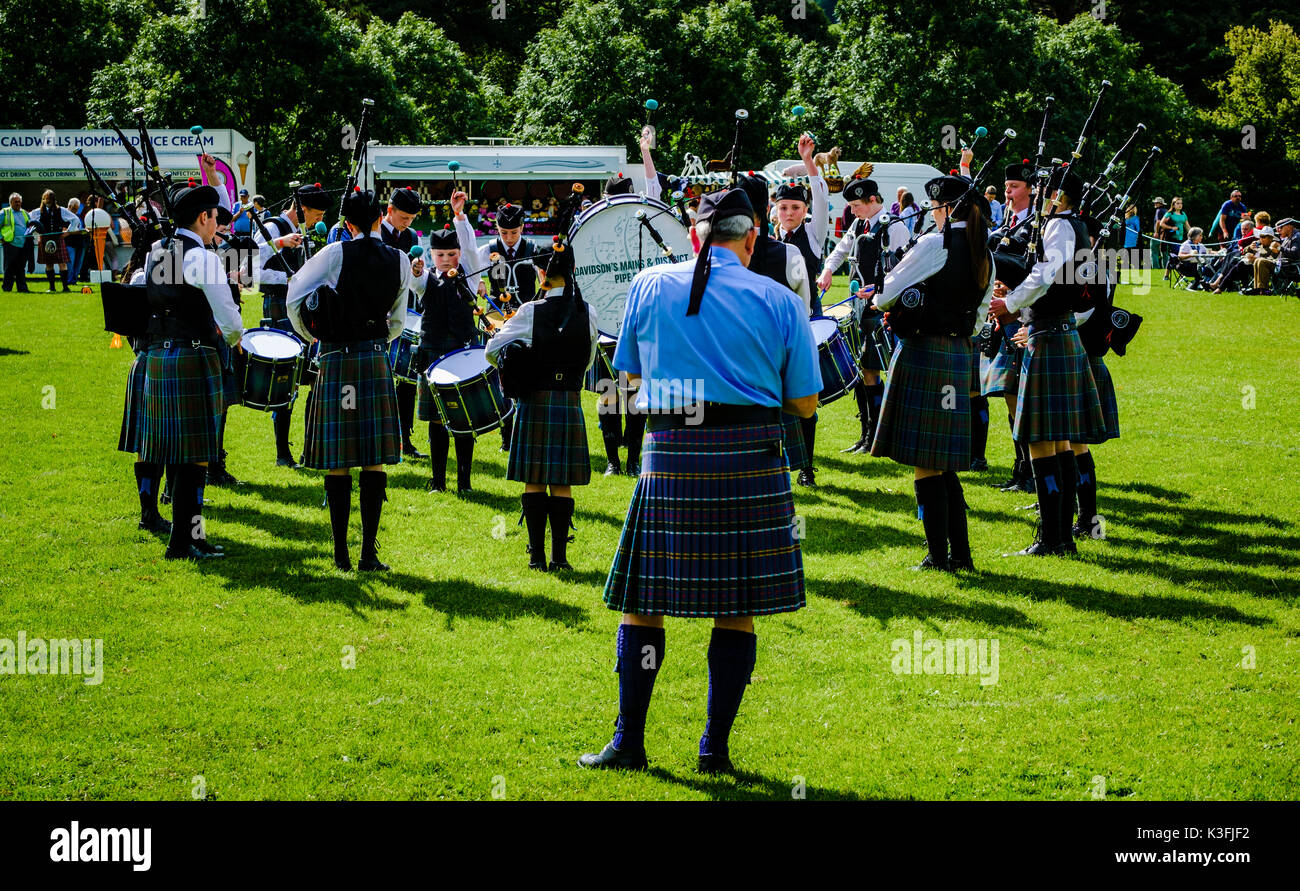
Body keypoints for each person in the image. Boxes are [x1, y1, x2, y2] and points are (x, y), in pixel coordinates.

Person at [579, 188, 820, 774]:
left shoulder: (648, 285)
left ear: (694, 235)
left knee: (643, 603)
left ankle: (628, 743)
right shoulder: (780, 300)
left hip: (670, 454)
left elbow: (626, 377)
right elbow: (806, 405)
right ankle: (713, 750)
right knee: (737, 607)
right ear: (753, 237)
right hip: (751, 458)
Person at [870, 174, 993, 570]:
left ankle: (939, 556)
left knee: (927, 460)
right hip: (959, 353)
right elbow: (977, 322)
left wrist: (884, 299)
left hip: (926, 352)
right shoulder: (984, 252)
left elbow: (886, 295)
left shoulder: (933, 243)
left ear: (943, 208)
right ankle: (962, 554)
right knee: (943, 462)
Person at [287, 188, 411, 572]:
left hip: (339, 367)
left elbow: (295, 293)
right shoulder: (401, 259)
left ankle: (341, 552)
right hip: (373, 364)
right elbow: (398, 321)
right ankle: (368, 554)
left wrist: (312, 336)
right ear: (379, 220)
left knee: (339, 458)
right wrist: (376, 342)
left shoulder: (334, 253)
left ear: (347, 224)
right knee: (373, 460)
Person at [990, 166, 1107, 557]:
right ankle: (1062, 537)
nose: (1039, 195)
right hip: (1058, 333)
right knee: (1057, 442)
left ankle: (1051, 537)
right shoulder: (1073, 225)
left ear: (1058, 195)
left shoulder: (1059, 225)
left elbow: (1045, 274)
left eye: (1044, 190)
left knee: (1042, 440)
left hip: (1051, 336)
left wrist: (1009, 302)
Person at [138, 181, 245, 560]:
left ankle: (187, 538)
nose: (218, 225)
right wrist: (236, 339)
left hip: (158, 357)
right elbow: (229, 319)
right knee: (197, 453)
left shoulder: (155, 251)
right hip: (194, 357)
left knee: (174, 448)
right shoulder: (203, 258)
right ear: (204, 217)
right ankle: (184, 541)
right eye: (216, 218)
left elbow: (139, 290)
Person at [485, 237, 598, 571]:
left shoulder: (531, 311)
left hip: (536, 399)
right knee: (561, 480)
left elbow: (493, 348)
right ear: (574, 270)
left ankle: (536, 557)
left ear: (540, 273)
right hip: (569, 401)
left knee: (534, 477)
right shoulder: (587, 311)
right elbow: (588, 359)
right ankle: (560, 558)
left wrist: (513, 367)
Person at [817, 176, 909, 458]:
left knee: (871, 371)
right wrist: (828, 270)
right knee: (861, 371)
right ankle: (866, 434)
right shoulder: (859, 225)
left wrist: (879, 288)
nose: (852, 211)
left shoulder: (895, 227)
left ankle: (878, 435)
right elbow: (841, 249)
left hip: (880, 307)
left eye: (857, 205)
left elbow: (905, 268)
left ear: (873, 201)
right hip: (859, 308)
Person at [253, 183, 331, 467]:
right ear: (303, 209)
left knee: (313, 376)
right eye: (317, 215)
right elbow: (251, 270)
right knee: (285, 381)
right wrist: (289, 279)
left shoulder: (305, 232)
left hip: (302, 309)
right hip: (278, 307)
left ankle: (310, 447)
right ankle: (282, 454)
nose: (319, 221)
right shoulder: (273, 228)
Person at [455, 198, 535, 455]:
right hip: (497, 321)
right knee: (503, 377)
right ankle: (507, 434)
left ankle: (526, 430)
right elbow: (473, 275)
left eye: (513, 232)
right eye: (503, 233)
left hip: (526, 319)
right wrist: (478, 284)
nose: (509, 238)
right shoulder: (487, 248)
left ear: (522, 228)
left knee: (528, 376)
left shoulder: (533, 249)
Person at [415, 225, 481, 493]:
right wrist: (417, 271)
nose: (445, 259)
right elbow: (414, 281)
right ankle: (439, 481)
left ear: (459, 254)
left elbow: (471, 248)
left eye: (452, 254)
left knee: (464, 418)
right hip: (432, 352)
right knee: (437, 420)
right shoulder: (424, 278)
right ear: (431, 254)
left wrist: (460, 217)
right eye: (440, 254)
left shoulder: (471, 276)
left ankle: (464, 482)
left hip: (462, 351)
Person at [379, 186, 429, 459]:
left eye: (411, 219)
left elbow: (416, 281)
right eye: (403, 217)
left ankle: (405, 439)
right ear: (390, 210)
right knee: (383, 379)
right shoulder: (377, 232)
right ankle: (385, 437)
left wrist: (418, 272)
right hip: (379, 311)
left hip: (404, 313)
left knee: (407, 379)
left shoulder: (411, 236)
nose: (408, 223)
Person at [30, 189, 77, 292]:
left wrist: (68, 232)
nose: (48, 200)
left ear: (54, 199)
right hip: (44, 239)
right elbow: (29, 222)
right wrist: (35, 233)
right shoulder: (37, 212)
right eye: (46, 198)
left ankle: (65, 287)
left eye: (50, 198)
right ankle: (52, 288)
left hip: (58, 239)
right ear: (43, 199)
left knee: (62, 263)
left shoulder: (61, 210)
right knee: (49, 264)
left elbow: (75, 219)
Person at [1248, 217, 1299, 295]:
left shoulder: (1297, 237)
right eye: (1277, 228)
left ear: (1289, 226)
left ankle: (1264, 290)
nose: (1278, 230)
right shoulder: (1286, 238)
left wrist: (1279, 247)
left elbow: (1295, 254)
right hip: (1282, 264)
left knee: (1261, 261)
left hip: (1290, 267)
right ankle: (1258, 289)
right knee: (1258, 260)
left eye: (1280, 227)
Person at [1, 193, 30, 292]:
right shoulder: (4, 212)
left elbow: (30, 225)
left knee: (21, 268)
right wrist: (1, 238)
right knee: (9, 267)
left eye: (19, 202)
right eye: (16, 202)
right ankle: (7, 288)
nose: (18, 204)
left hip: (23, 244)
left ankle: (22, 288)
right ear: (11, 203)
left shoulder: (25, 213)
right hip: (10, 243)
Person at [1150, 197, 1167, 269]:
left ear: (1160, 204)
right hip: (1165, 234)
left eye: (1156, 203)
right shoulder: (1166, 211)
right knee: (1164, 252)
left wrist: (1156, 232)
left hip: (1159, 234)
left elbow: (1158, 221)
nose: (1155, 204)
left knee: (1154, 251)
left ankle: (1155, 267)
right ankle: (1166, 267)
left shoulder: (1158, 211)